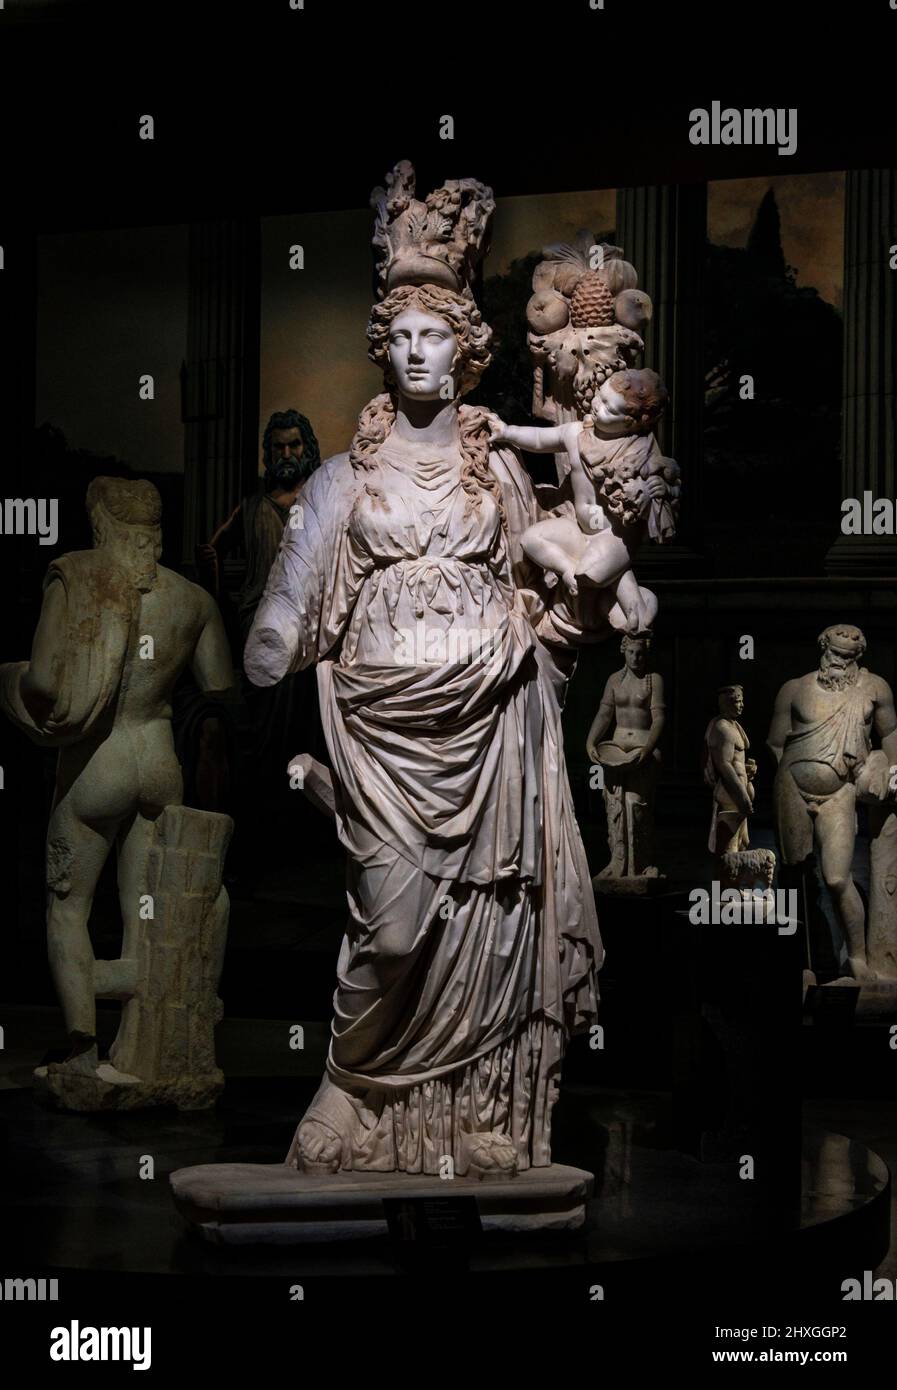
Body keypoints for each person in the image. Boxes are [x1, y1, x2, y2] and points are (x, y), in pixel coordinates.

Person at [244, 165, 611, 1178]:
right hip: (383, 734)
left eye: (434, 334)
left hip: (491, 722)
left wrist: (579, 594)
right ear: (384, 346)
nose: (415, 351)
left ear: (465, 348)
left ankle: (476, 1121)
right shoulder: (339, 481)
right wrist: (280, 614)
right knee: (394, 929)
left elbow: (551, 604)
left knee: (491, 926)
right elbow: (278, 632)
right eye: (399, 335)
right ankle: (356, 1085)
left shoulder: (498, 469)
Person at [768, 625, 897, 981]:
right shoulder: (794, 689)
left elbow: (889, 735)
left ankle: (857, 958)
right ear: (823, 650)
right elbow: (776, 743)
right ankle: (802, 964)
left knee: (838, 877)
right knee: (795, 874)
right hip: (792, 786)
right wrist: (799, 770)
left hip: (840, 792)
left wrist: (889, 769)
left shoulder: (874, 689)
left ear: (858, 658)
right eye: (833, 654)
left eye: (846, 657)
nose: (838, 662)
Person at [586, 631, 664, 879]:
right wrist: (591, 741)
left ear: (647, 653)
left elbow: (659, 718)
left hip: (643, 749)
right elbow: (605, 714)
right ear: (623, 650)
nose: (636, 657)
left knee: (636, 806)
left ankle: (640, 865)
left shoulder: (654, 680)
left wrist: (648, 749)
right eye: (631, 652)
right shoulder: (614, 680)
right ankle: (617, 863)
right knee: (614, 807)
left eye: (641, 653)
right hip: (615, 750)